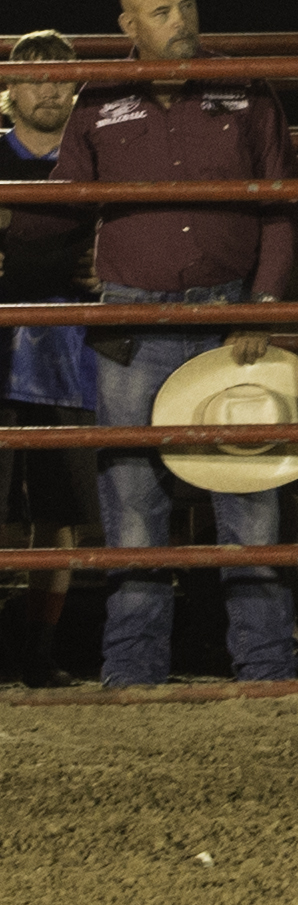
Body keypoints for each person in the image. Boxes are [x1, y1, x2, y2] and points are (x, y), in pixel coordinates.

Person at [50, 0, 297, 685]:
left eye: (186, 5)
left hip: (229, 317)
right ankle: (132, 675)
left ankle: (266, 670)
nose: (180, 21)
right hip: (133, 317)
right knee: (131, 502)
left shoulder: (246, 88)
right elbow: (66, 203)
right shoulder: (98, 97)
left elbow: (281, 204)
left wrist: (264, 304)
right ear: (129, 28)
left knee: (248, 492)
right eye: (161, 12)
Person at [0, 33, 95, 675]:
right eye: (33, 77)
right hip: (5, 345)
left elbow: (112, 249)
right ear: (10, 89)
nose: (48, 87)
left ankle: (38, 653)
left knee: (60, 511)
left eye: (60, 76)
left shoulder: (96, 158)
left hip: (70, 355)